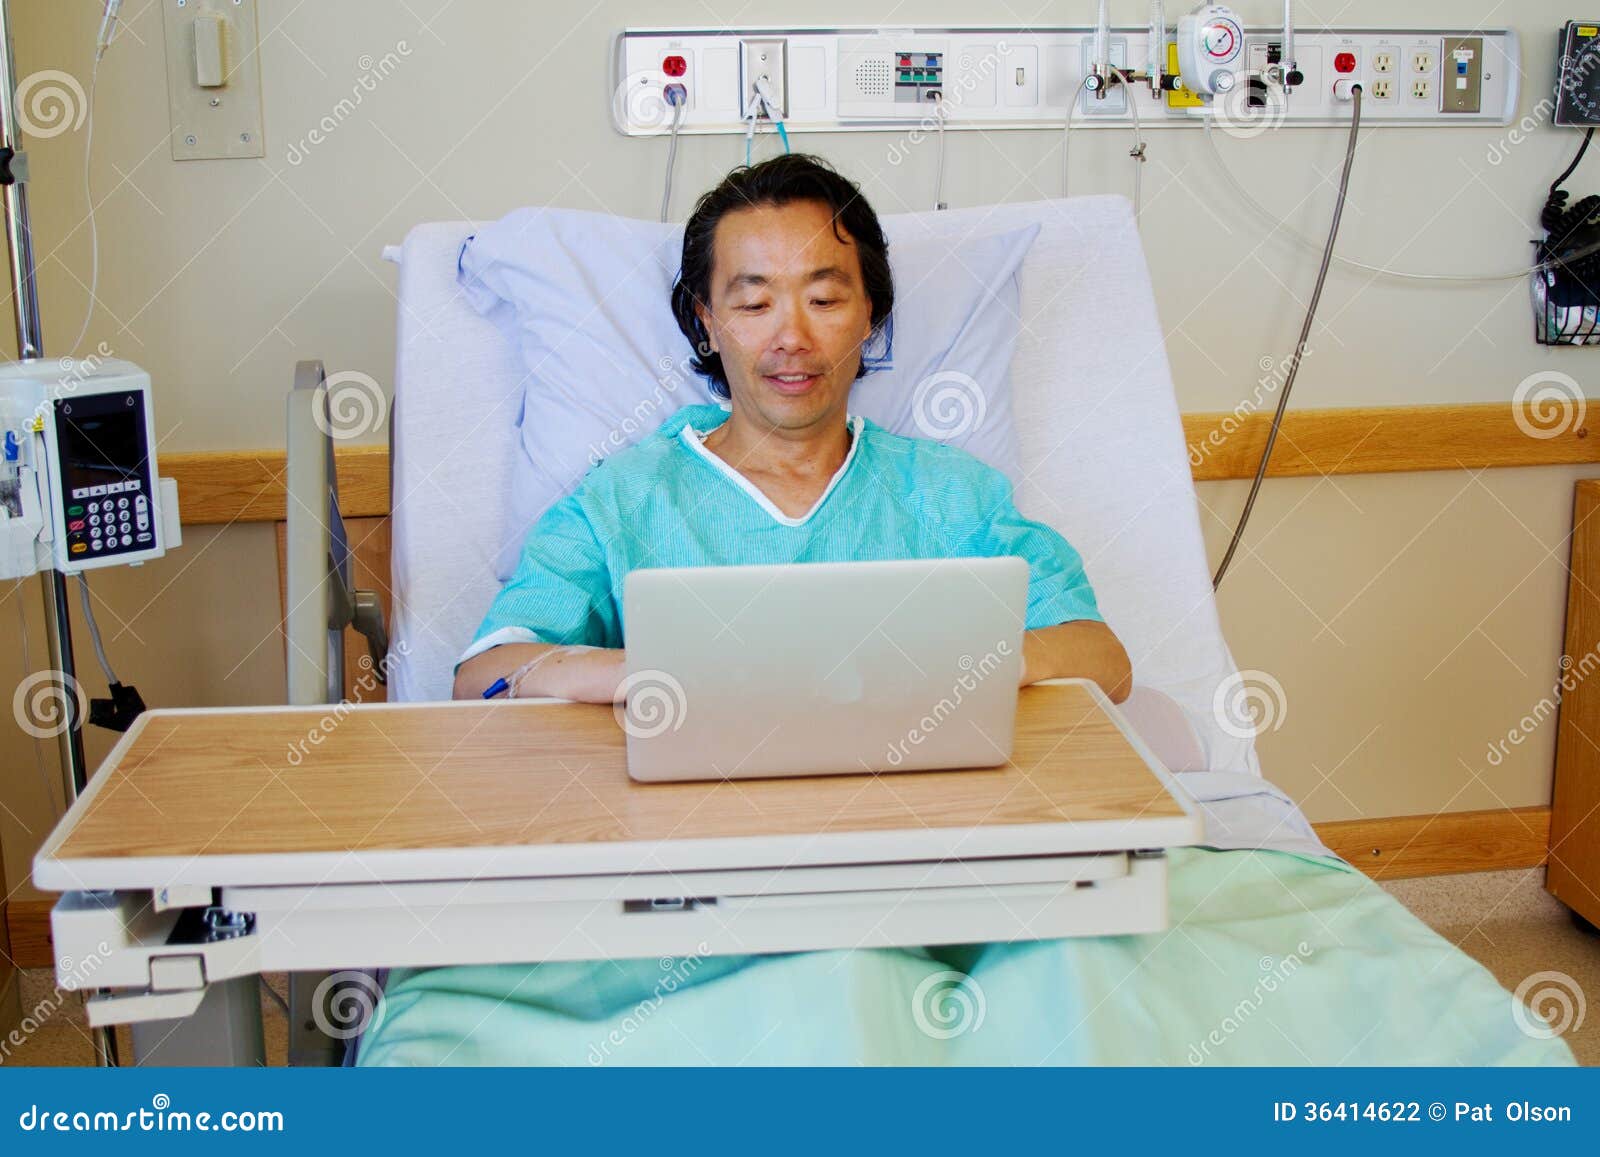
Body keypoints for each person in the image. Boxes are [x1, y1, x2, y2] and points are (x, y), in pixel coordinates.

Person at [452, 152, 1130, 705]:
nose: (792, 337)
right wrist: (649, 673)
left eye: (824, 299)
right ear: (708, 323)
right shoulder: (623, 500)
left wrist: (955, 665)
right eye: (753, 302)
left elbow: (1104, 661)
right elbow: (483, 675)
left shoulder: (951, 497)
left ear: (870, 315)